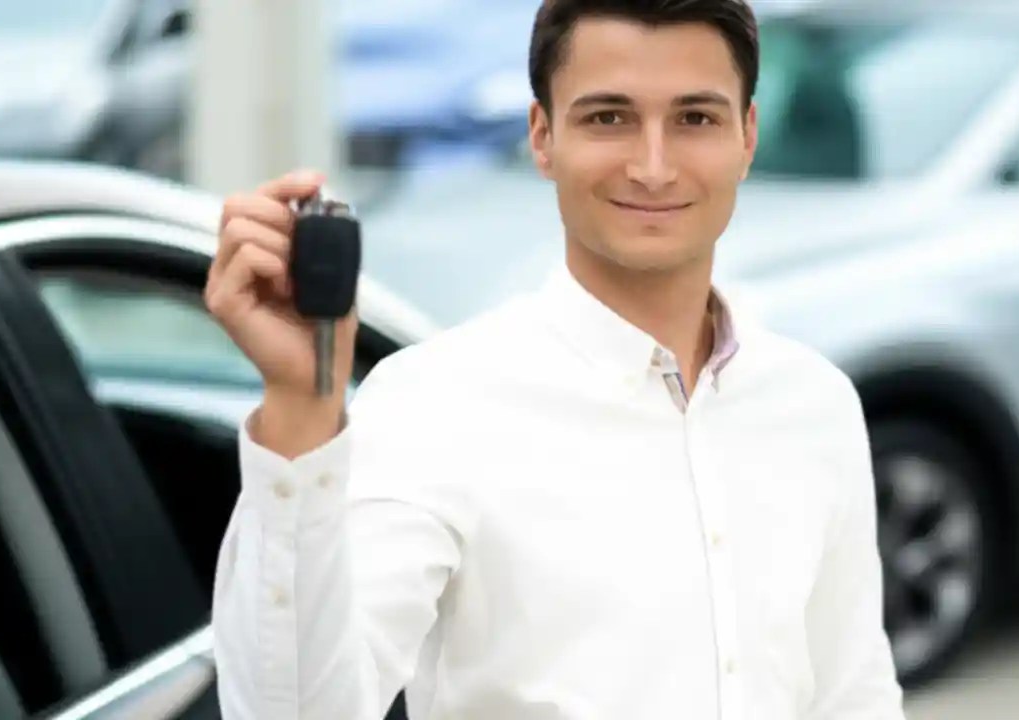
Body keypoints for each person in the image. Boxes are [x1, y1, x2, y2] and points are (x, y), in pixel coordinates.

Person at [205, 0, 907, 717]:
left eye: (695, 118)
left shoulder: (815, 404)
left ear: (747, 136)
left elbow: (854, 698)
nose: (653, 167)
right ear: (543, 137)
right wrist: (299, 407)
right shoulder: (436, 404)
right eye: (610, 117)